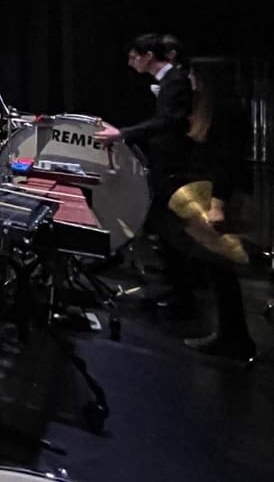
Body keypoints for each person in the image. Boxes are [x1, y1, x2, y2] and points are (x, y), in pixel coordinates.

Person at [95, 33, 195, 315]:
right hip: (164, 161)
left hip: (173, 165)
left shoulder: (175, 80)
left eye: (133, 57)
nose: (131, 63)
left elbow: (169, 122)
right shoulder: (169, 80)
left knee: (169, 228)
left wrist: (122, 134)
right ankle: (174, 288)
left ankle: (181, 295)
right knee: (162, 228)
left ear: (149, 56)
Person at [180, 60, 254, 358]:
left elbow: (228, 162)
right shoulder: (213, 109)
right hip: (212, 193)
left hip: (221, 196)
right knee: (217, 269)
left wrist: (218, 204)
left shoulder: (227, 111)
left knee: (222, 268)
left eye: (194, 74)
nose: (190, 79)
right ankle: (228, 333)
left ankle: (234, 338)